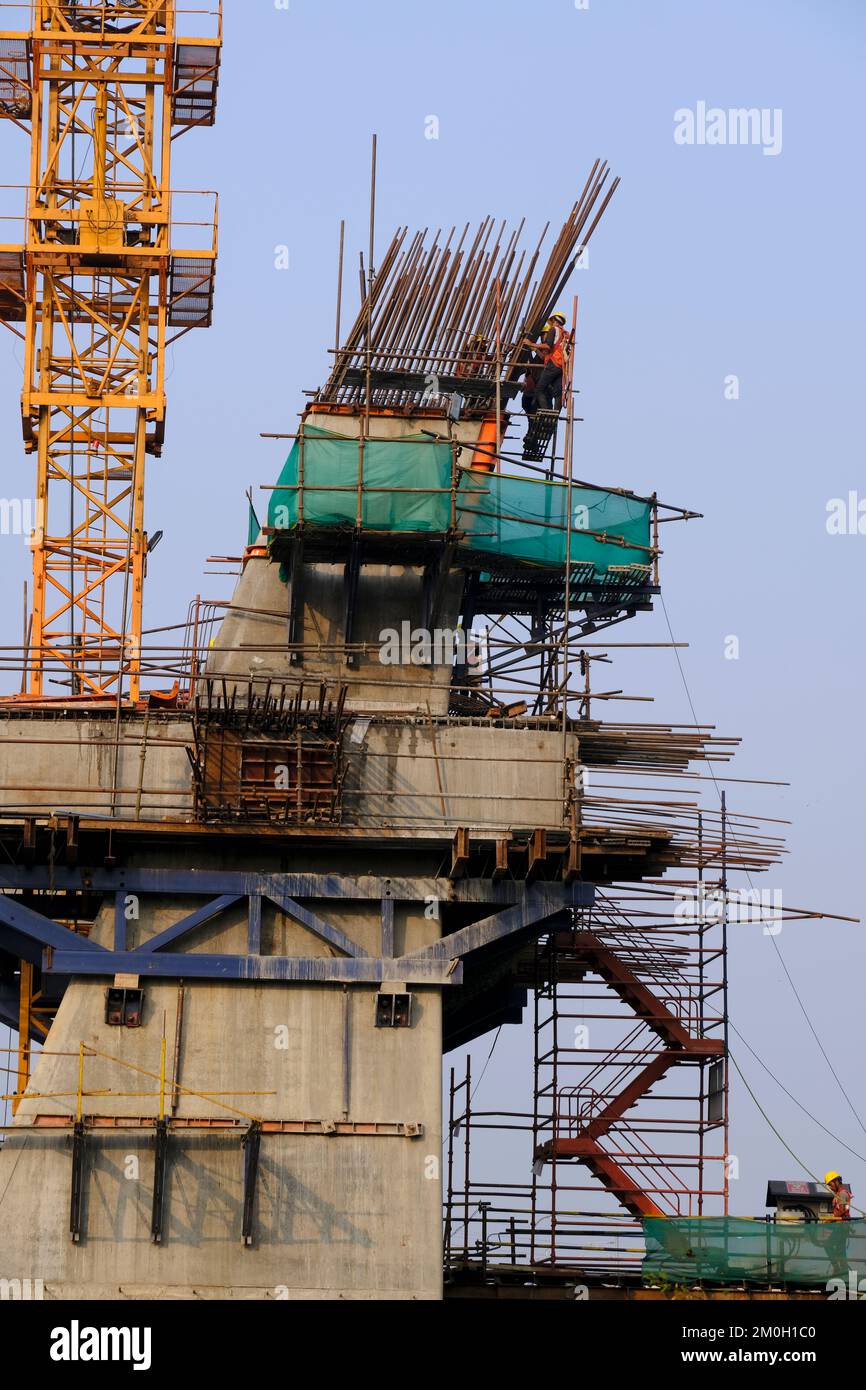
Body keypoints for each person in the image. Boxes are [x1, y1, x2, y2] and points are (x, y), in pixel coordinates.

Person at [522, 310, 568, 412]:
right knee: (558, 392)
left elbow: (547, 346)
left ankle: (547, 412)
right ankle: (555, 413)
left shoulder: (553, 330)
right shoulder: (564, 334)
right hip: (561, 365)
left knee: (539, 389)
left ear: (554, 320)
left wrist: (532, 345)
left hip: (553, 364)